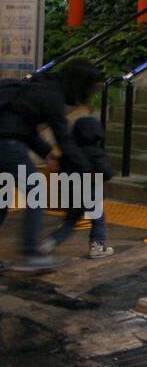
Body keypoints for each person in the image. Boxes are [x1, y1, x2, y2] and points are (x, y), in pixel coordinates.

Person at [0, 66, 75, 272]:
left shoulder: (29, 91)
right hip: (7, 145)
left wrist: (48, 152)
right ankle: (31, 253)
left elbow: (25, 129)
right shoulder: (51, 95)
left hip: (6, 142)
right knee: (36, 190)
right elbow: (61, 135)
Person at [39, 61, 114, 259]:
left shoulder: (71, 151)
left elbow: (61, 168)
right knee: (98, 217)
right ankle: (98, 245)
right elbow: (106, 173)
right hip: (90, 193)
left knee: (70, 221)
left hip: (71, 192)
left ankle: (50, 242)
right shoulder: (96, 153)